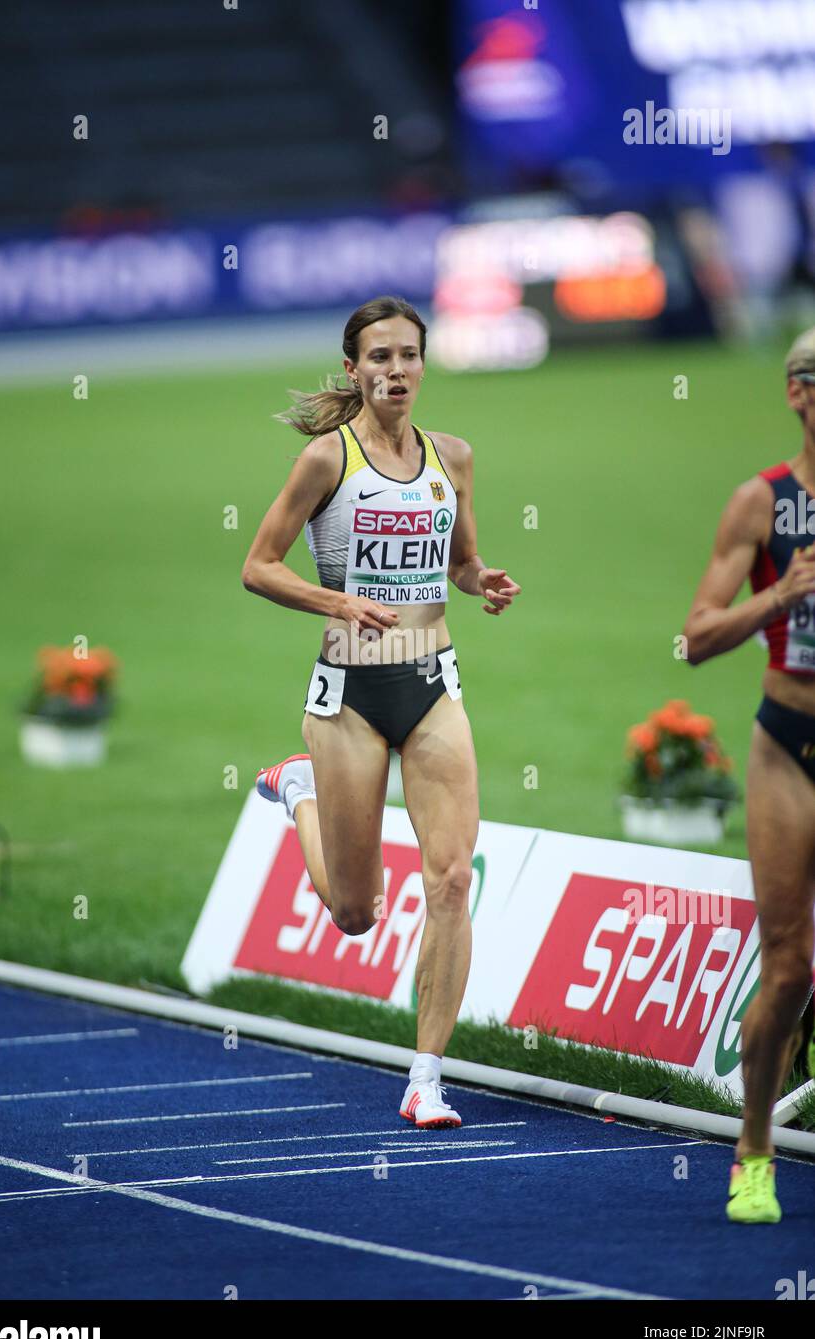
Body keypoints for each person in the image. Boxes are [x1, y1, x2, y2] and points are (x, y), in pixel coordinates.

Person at [242, 295, 521, 1128]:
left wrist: (481, 580)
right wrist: (337, 601)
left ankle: (426, 1078)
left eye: (409, 355)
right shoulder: (327, 460)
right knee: (356, 914)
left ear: (424, 364)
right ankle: (299, 790)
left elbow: (461, 564)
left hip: (433, 685)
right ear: (355, 368)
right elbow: (259, 566)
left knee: (452, 878)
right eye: (380, 357)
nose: (397, 371)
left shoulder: (453, 457)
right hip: (350, 698)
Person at [683, 326, 815, 1222]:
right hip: (788, 752)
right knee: (791, 967)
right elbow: (695, 637)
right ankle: (756, 1148)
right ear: (798, 393)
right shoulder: (762, 503)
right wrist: (778, 595)